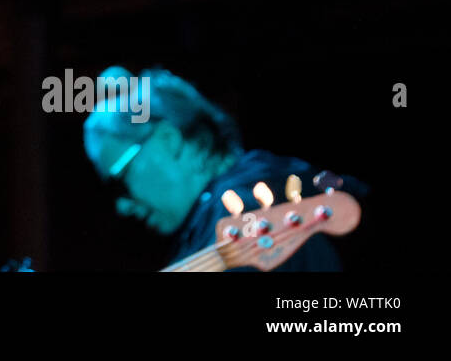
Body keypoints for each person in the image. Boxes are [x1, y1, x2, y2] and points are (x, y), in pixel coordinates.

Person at [83, 65, 357, 270]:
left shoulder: (240, 210)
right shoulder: (256, 186)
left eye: (119, 179)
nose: (121, 206)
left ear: (168, 140)